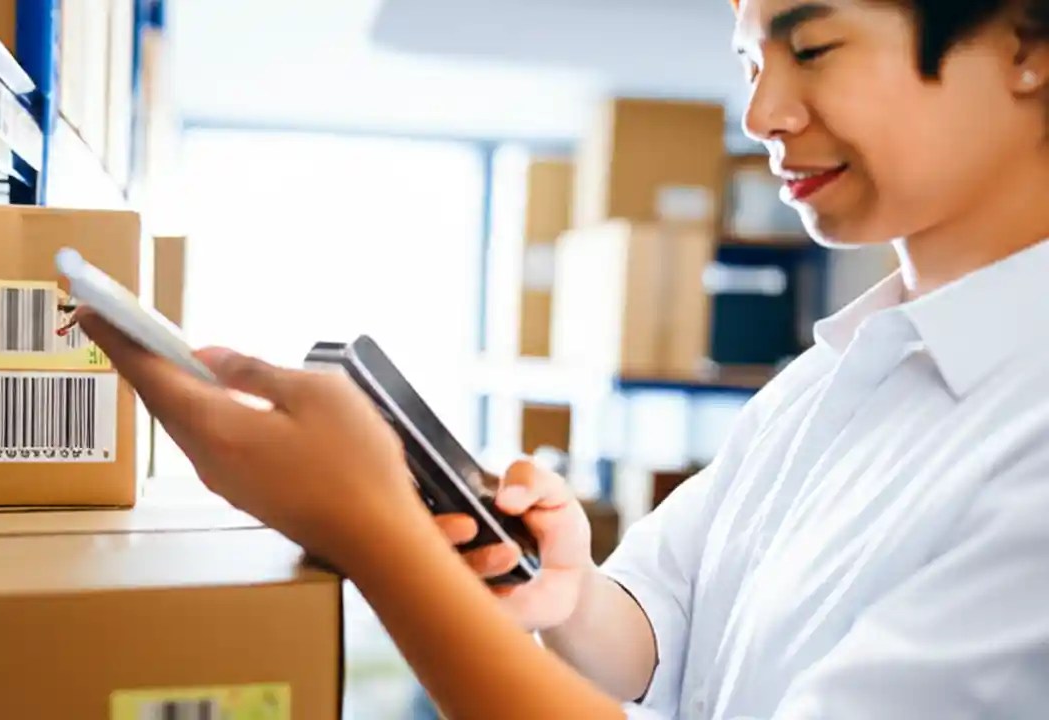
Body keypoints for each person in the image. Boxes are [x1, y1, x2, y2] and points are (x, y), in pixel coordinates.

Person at [79, 0, 1049, 717]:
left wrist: (371, 532)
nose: (758, 116)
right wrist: (567, 594)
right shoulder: (823, 380)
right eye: (748, 60)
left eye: (811, 47)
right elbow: (655, 634)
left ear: (1025, 46)